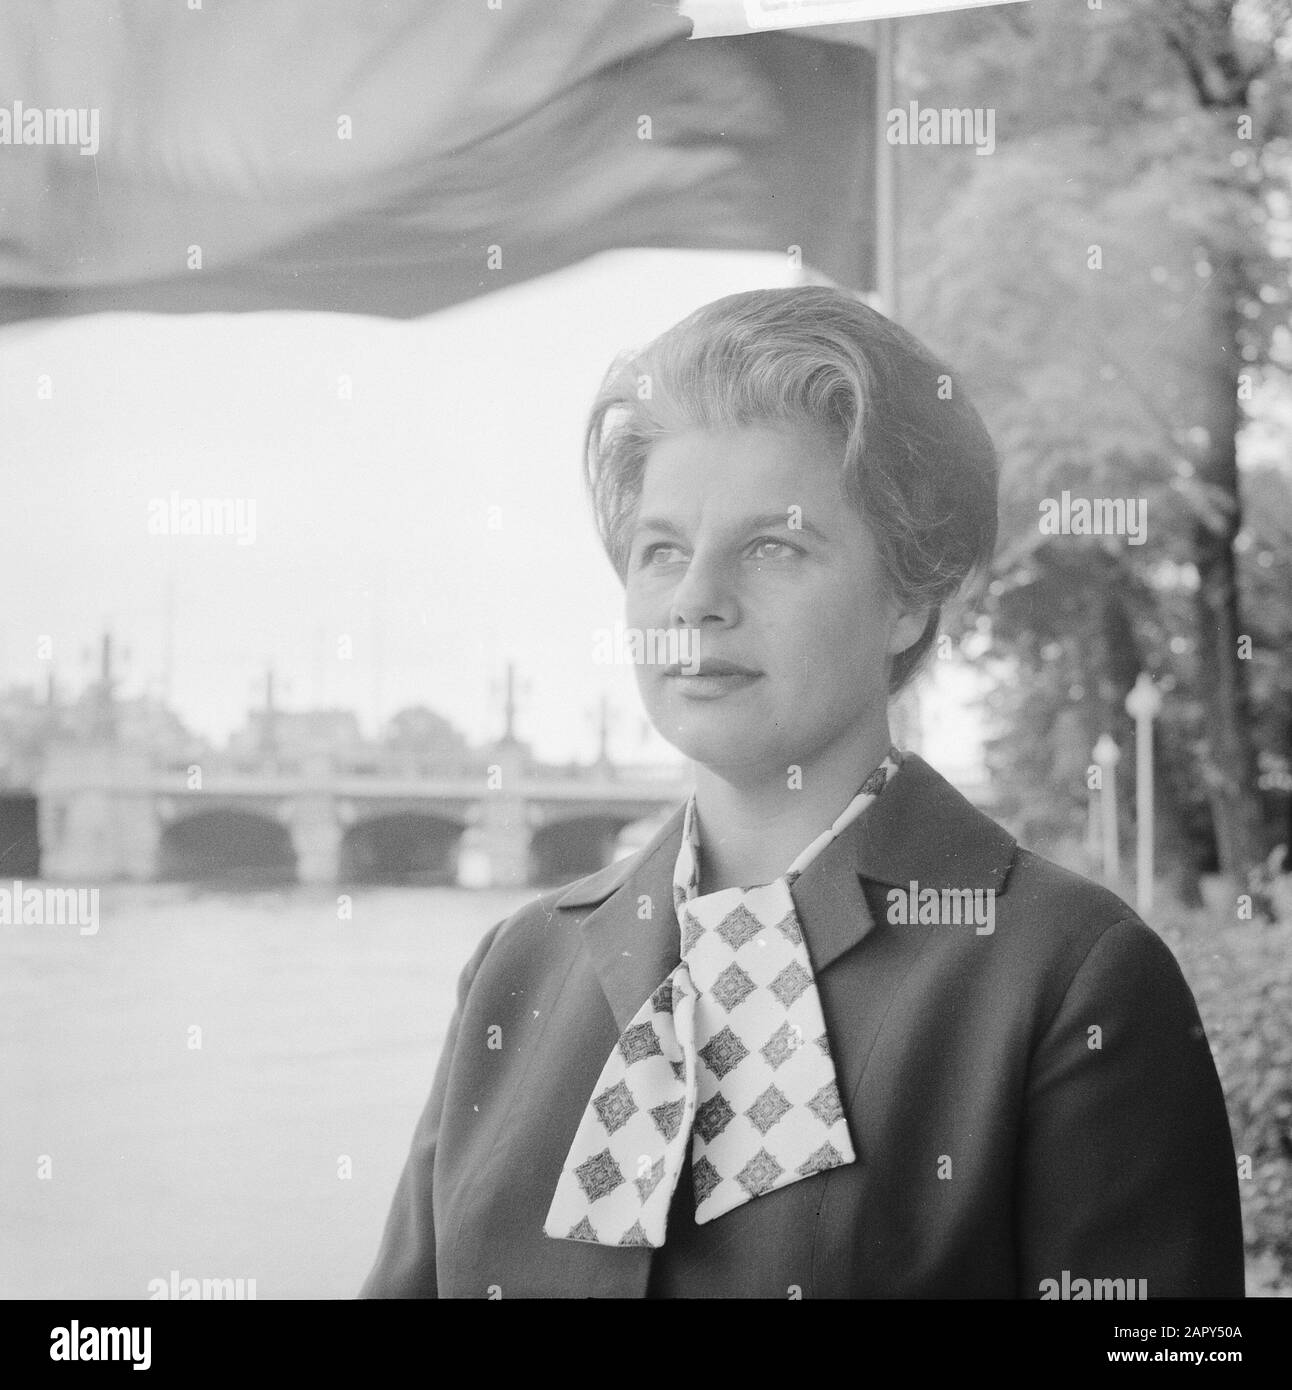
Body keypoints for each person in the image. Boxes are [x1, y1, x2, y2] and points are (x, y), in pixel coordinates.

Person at [360, 286, 1244, 1299]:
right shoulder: (515, 965)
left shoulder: (1067, 983)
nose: (693, 598)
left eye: (770, 546)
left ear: (909, 596)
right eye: (660, 550)